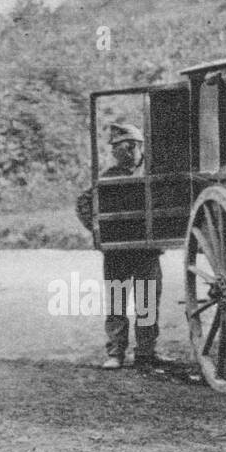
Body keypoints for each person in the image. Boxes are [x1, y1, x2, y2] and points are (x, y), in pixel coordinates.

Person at [75, 123, 163, 370]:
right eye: (114, 148)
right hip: (118, 252)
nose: (114, 152)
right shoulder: (109, 176)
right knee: (117, 302)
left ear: (134, 146)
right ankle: (115, 353)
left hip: (147, 250)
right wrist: (96, 229)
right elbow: (83, 202)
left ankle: (146, 353)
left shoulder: (154, 171)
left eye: (118, 148)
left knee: (147, 303)